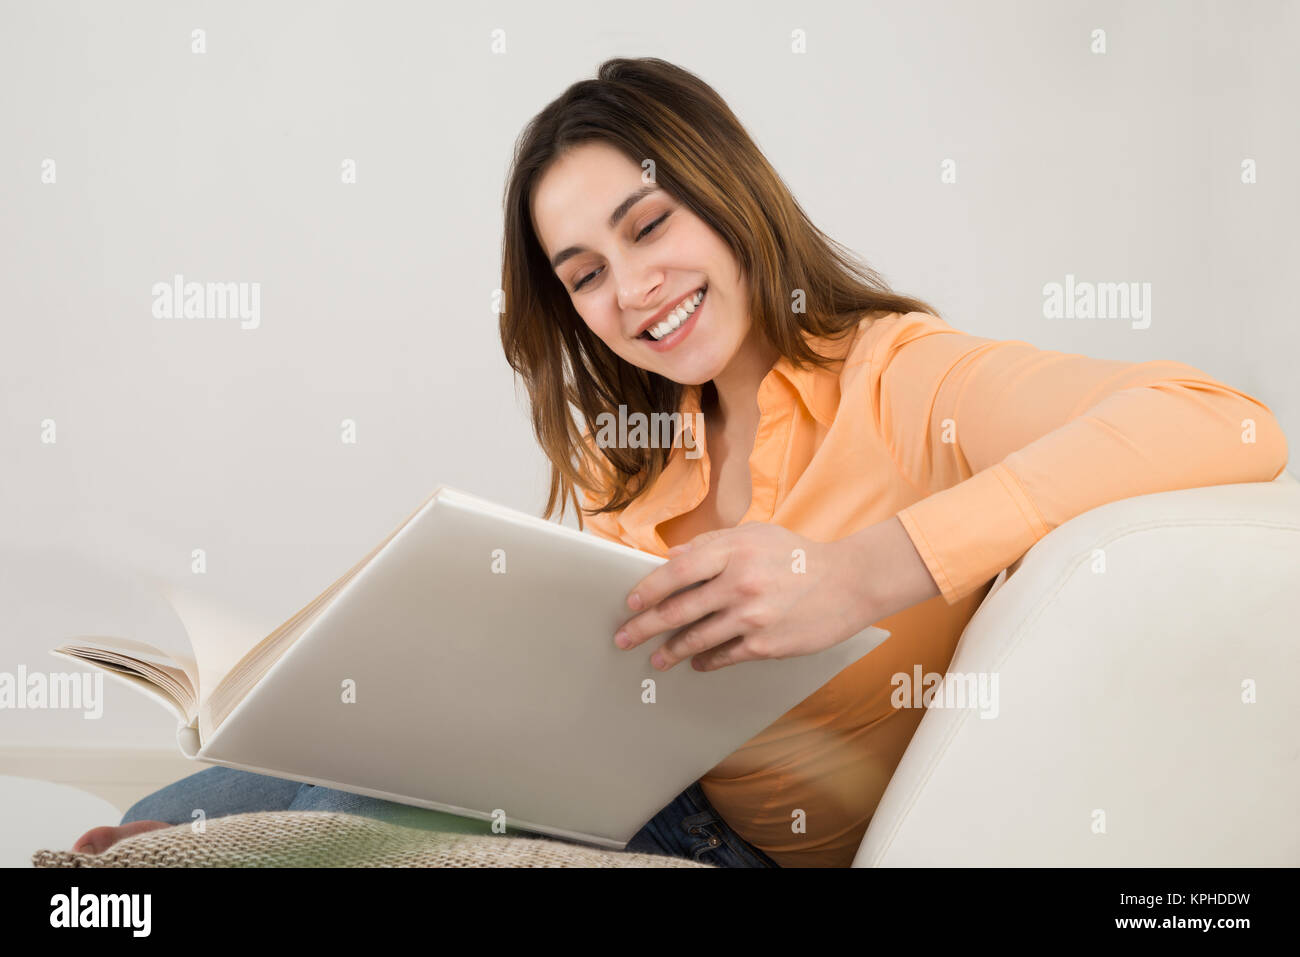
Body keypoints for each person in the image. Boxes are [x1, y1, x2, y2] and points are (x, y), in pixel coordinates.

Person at [74, 57, 1288, 868]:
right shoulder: (638, 470)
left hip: (741, 848)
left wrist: (861, 573)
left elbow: (1225, 422)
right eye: (584, 273)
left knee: (345, 825)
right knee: (326, 770)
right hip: (631, 801)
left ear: (728, 198)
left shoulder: (905, 377)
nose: (629, 289)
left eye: (649, 226)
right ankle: (151, 845)